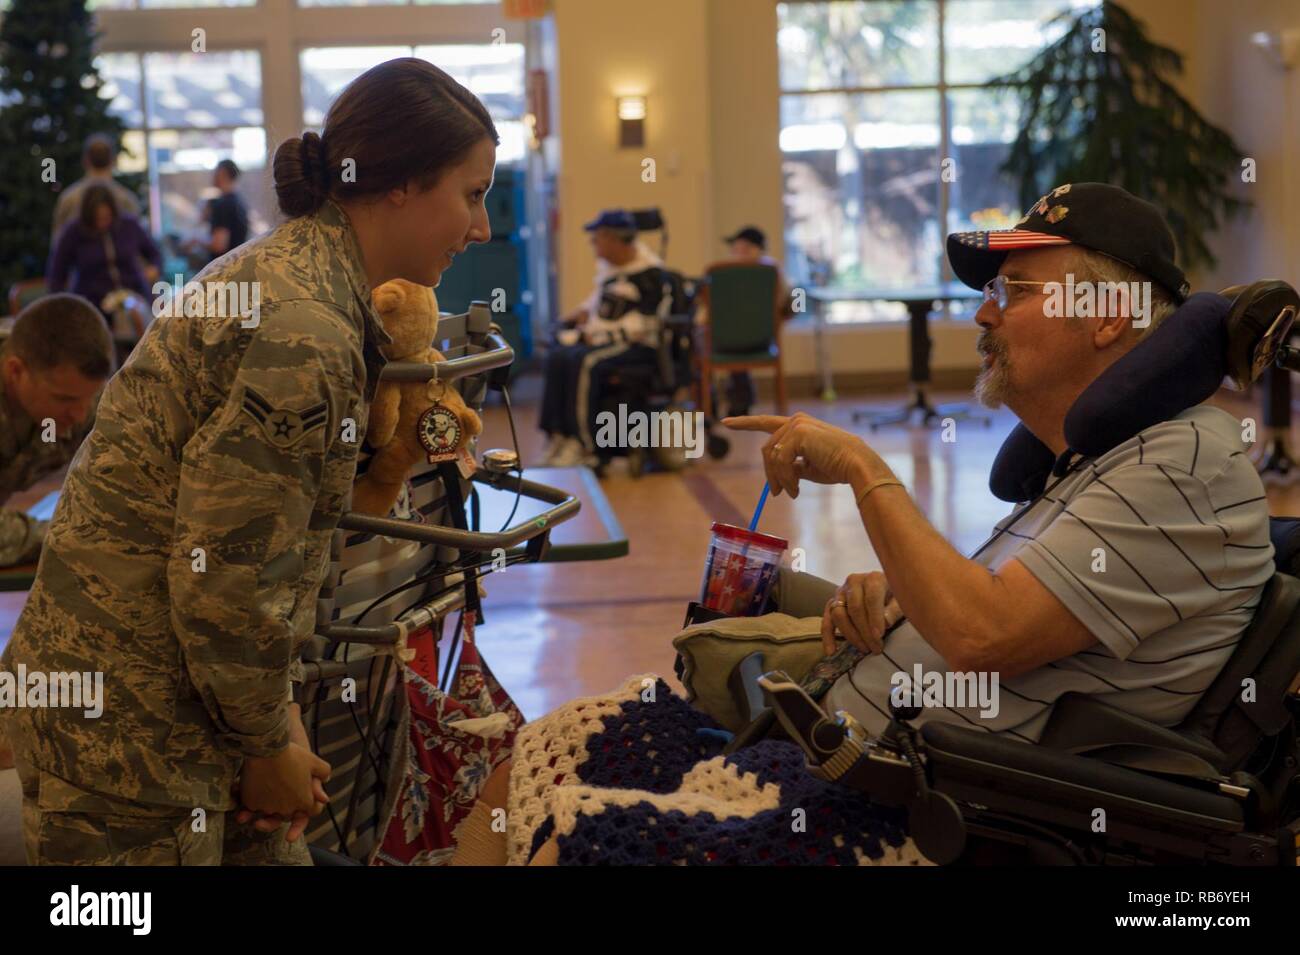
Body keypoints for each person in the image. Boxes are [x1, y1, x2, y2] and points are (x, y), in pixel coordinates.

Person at [454, 183, 1273, 865]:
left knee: (558, 828)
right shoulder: (1095, 461)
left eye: (1013, 293)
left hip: (928, 815)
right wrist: (907, 595)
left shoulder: (1178, 465)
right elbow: (998, 609)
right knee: (542, 746)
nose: (984, 316)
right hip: (844, 759)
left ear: (1107, 316)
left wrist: (863, 469)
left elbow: (984, 636)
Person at [0, 57, 497, 866]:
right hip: (130, 738)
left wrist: (276, 729)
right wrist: (270, 745)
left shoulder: (301, 281)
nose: (480, 227)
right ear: (402, 184)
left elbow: (267, 565)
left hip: (171, 703)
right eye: (471, 194)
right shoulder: (304, 329)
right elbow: (226, 581)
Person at [0, 294, 111, 774]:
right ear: (15, 371)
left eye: (88, 396)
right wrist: (59, 532)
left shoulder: (83, 400)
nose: (78, 413)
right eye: (65, 400)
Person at [539, 209, 673, 465]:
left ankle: (583, 444)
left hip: (636, 345)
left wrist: (598, 334)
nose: (593, 244)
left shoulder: (650, 276)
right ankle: (558, 435)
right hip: (607, 340)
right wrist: (576, 318)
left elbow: (645, 324)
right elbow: (596, 305)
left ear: (613, 240)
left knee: (586, 363)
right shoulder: (611, 271)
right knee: (558, 356)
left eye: (597, 238)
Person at [707, 225, 794, 418]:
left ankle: (709, 405)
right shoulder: (775, 271)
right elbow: (795, 301)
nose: (736, 253)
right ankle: (741, 400)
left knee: (702, 345)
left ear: (754, 248)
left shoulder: (720, 274)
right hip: (762, 340)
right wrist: (780, 322)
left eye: (740, 248)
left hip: (724, 342)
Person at [46, 186, 162, 314]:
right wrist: (62, 307)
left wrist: (154, 268)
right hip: (91, 303)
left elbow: (154, 253)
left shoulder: (129, 225)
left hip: (134, 297)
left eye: (106, 217)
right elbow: (57, 273)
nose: (103, 223)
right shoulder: (73, 232)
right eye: (98, 219)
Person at [50, 134, 142, 240]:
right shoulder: (128, 200)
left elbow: (57, 243)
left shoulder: (68, 199)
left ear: (85, 160)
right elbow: (136, 243)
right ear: (113, 160)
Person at [183, 159, 251, 267]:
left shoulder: (223, 205)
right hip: (237, 267)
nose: (212, 176)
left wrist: (196, 241)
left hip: (223, 270)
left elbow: (219, 245)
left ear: (222, 174)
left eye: (215, 172)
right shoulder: (238, 201)